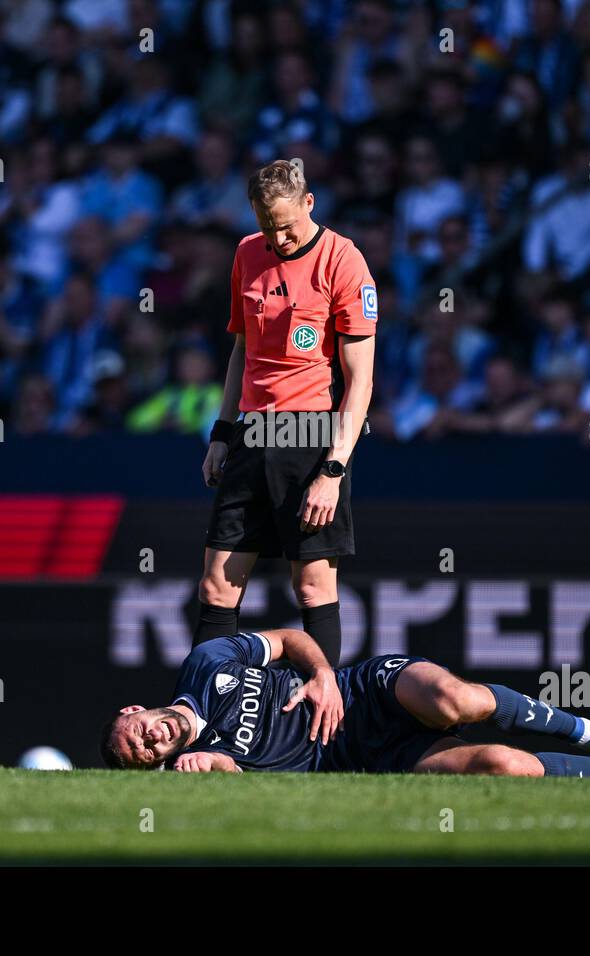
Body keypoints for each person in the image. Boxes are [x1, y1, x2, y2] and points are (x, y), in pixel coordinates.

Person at [100, 629, 590, 780]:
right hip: (363, 757)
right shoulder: (200, 762)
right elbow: (235, 774)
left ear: (135, 711)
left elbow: (287, 639)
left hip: (361, 690)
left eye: (140, 734)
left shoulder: (205, 664)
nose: (152, 741)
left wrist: (321, 677)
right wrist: (211, 769)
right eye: (145, 756)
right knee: (505, 768)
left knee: (455, 700)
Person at [197, 159, 376, 664]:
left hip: (312, 434)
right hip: (252, 433)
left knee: (313, 588)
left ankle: (321, 724)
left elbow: (360, 380)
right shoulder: (247, 254)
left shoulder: (344, 260)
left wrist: (333, 469)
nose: (280, 237)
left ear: (309, 204)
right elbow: (241, 352)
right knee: (216, 587)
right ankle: (208, 711)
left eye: (288, 225)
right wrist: (221, 433)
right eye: (267, 226)